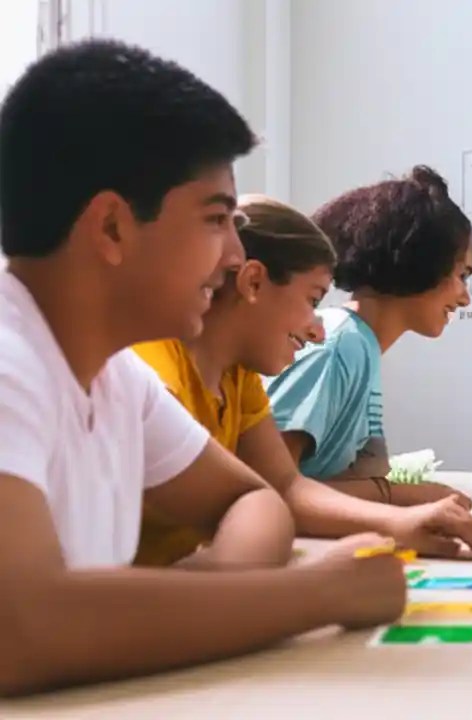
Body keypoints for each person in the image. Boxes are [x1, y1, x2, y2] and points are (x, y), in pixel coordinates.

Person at [0, 39, 404, 697]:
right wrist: (317, 594)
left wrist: (200, 600)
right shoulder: (9, 363)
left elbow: (251, 498)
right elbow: (19, 628)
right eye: (217, 219)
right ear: (111, 229)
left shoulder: (113, 378)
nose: (234, 255)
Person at [133, 195, 472, 567]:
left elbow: (281, 487)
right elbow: (266, 495)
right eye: (312, 300)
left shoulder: (239, 377)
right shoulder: (153, 377)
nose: (318, 330)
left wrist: (398, 521)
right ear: (252, 282)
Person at [266, 166, 472, 505]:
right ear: (420, 261)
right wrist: (405, 496)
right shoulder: (338, 344)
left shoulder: (359, 344)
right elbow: (272, 488)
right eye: (462, 275)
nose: (466, 298)